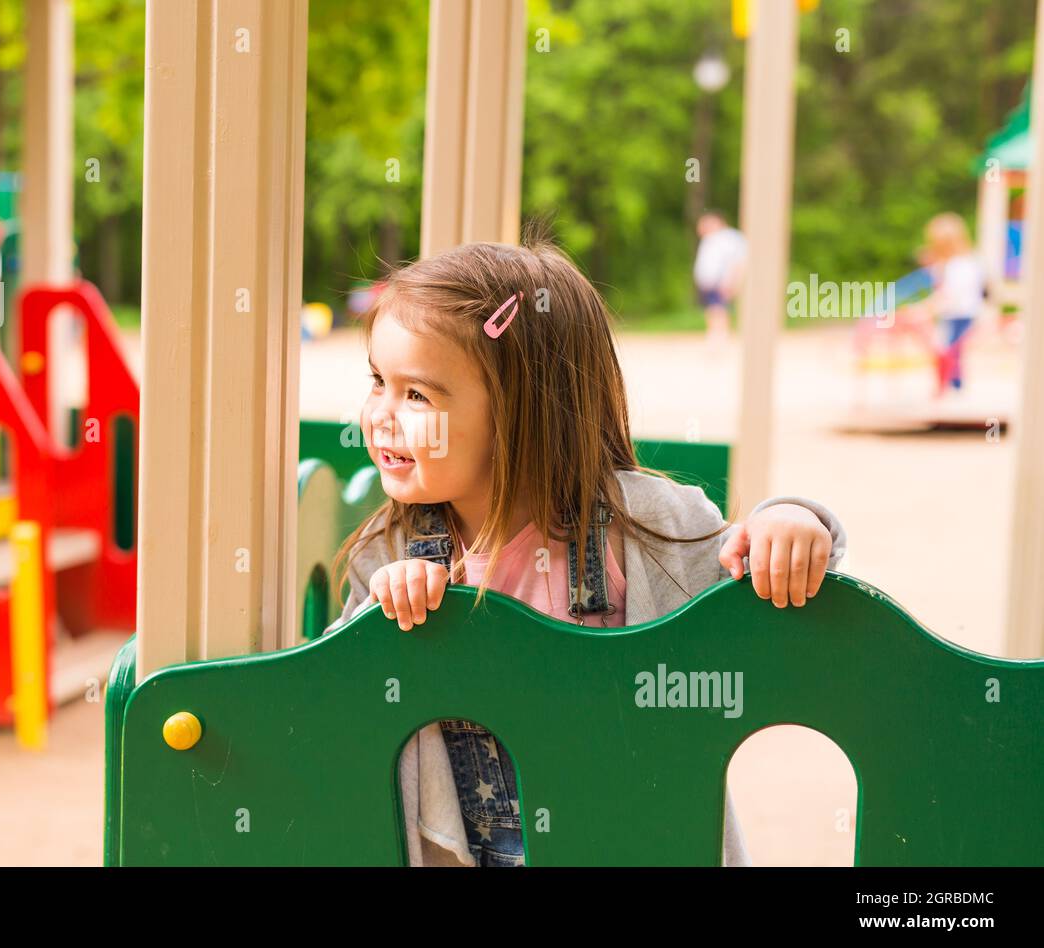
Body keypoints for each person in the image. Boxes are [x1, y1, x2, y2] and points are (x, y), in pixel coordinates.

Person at [323, 231, 847, 867]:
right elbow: (342, 703)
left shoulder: (641, 526)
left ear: (521, 410)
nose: (379, 414)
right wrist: (382, 620)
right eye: (379, 380)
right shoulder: (394, 547)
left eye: (416, 394)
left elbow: (747, 586)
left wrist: (788, 523)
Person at [920, 213, 985, 395]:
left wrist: (930, 307)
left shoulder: (959, 265)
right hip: (959, 311)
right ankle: (953, 385)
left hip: (959, 312)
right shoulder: (965, 261)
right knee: (952, 350)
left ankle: (951, 386)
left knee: (948, 350)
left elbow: (951, 293)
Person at [693, 211, 747, 346]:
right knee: (713, 309)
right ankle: (715, 333)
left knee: (719, 309)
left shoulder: (728, 238)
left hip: (721, 281)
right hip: (710, 283)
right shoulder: (711, 239)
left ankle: (720, 336)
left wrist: (731, 281)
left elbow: (737, 262)